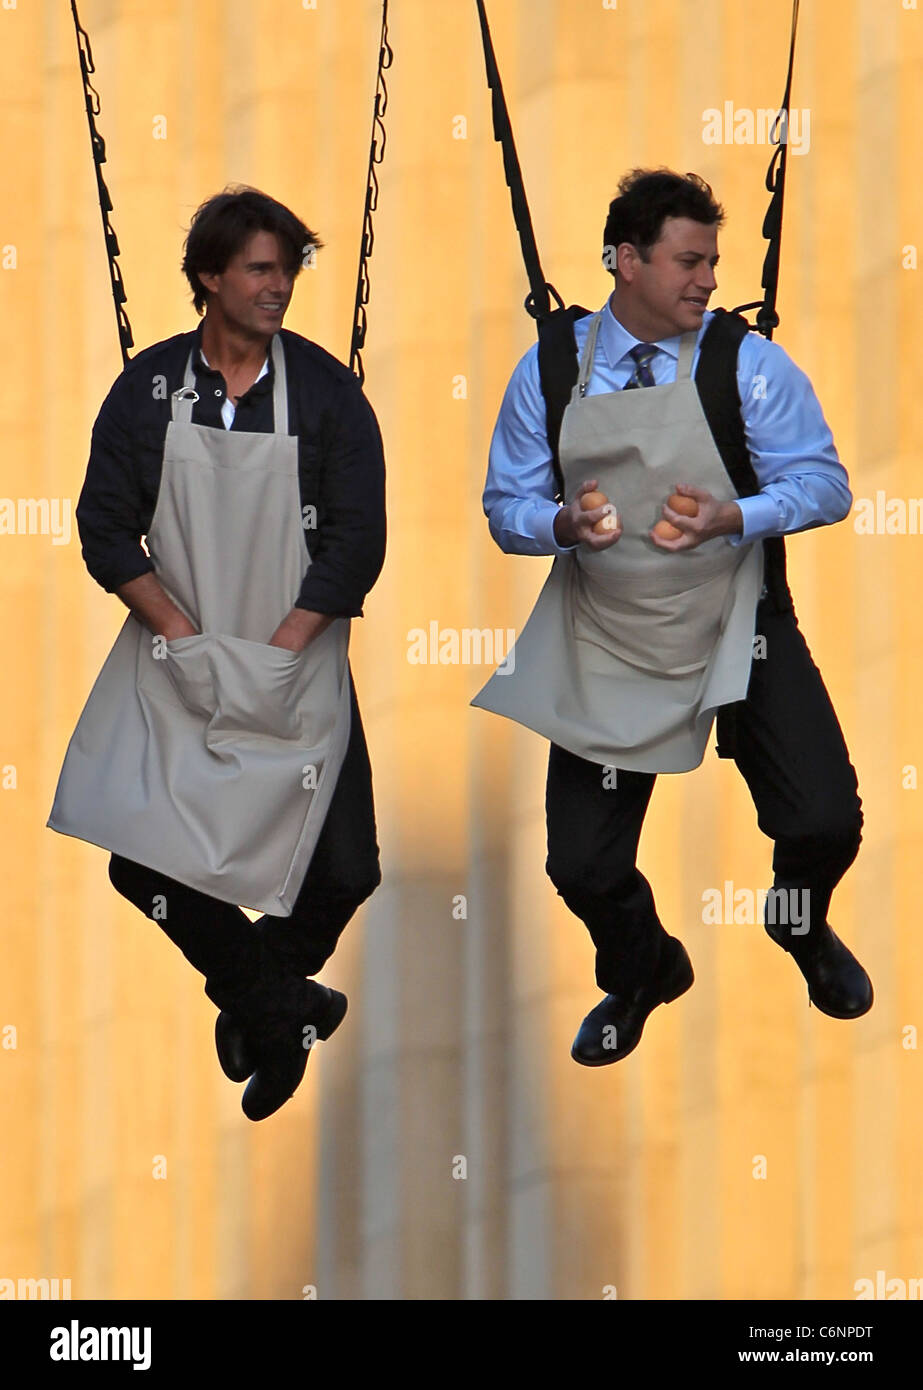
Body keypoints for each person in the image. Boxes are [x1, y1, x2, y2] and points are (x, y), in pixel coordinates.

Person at [472, 168, 871, 1067]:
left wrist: (737, 515)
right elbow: (504, 507)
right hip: (605, 631)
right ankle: (643, 969)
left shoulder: (748, 365)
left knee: (824, 821)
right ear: (625, 260)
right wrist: (560, 524)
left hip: (739, 616)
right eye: (688, 261)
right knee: (581, 866)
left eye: (713, 263)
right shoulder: (547, 368)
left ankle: (797, 921)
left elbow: (824, 485)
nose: (706, 280)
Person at [48, 186, 386, 1118]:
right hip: (177, 659)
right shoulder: (148, 391)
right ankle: (284, 1007)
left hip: (299, 656)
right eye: (260, 269)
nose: (280, 287)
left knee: (347, 868)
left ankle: (264, 1006)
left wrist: (283, 646)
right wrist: (179, 633)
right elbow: (104, 530)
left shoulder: (324, 394)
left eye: (288, 270)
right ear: (209, 278)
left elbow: (357, 541)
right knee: (138, 858)